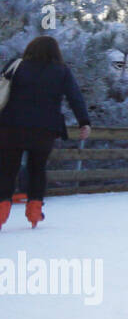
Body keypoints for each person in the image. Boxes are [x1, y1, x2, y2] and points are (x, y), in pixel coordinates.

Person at [0, 36, 91, 230]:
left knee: (7, 169)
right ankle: (34, 211)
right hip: (45, 129)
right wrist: (84, 122)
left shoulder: (16, 65)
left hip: (11, 126)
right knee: (37, 169)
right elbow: (75, 97)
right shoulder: (62, 72)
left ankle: (1, 212)